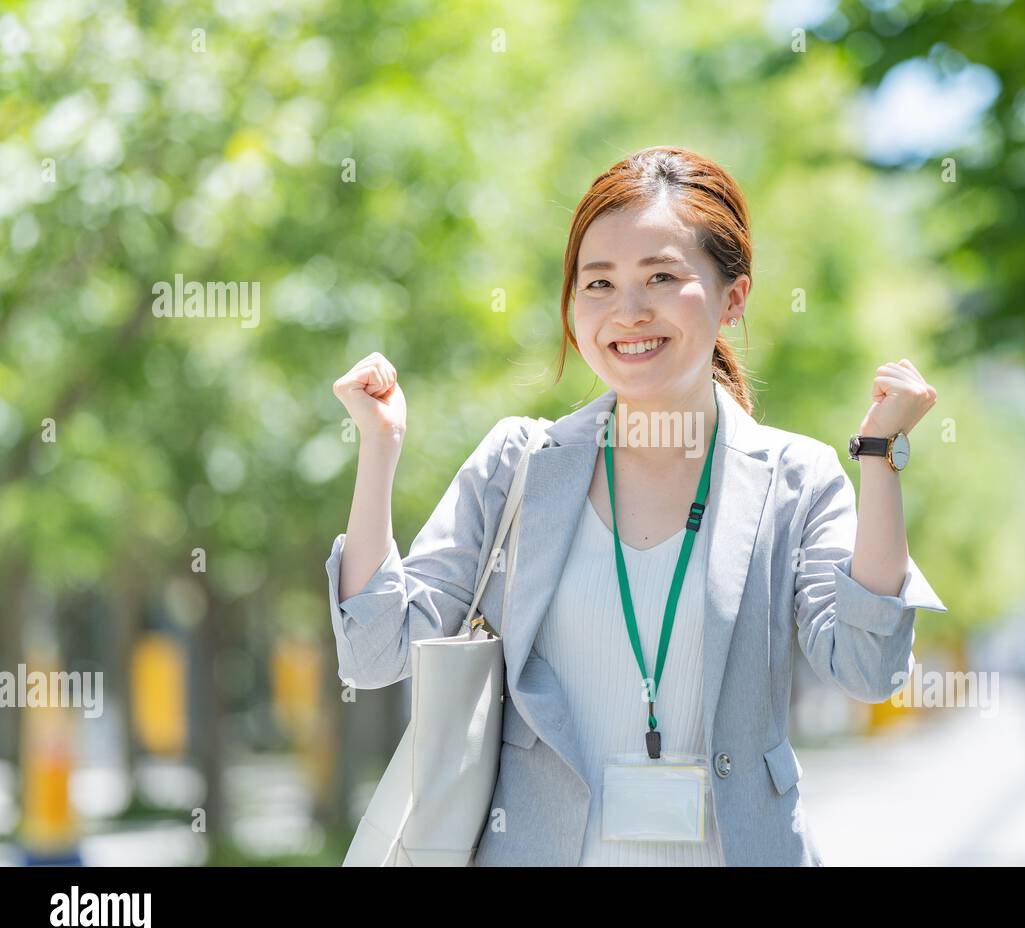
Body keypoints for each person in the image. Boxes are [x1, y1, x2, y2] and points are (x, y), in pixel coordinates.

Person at [326, 145, 947, 866]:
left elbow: (868, 669)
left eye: (662, 277)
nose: (628, 311)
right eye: (598, 283)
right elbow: (374, 656)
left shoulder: (794, 478)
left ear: (732, 298)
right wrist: (379, 448)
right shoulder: (517, 466)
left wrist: (881, 458)